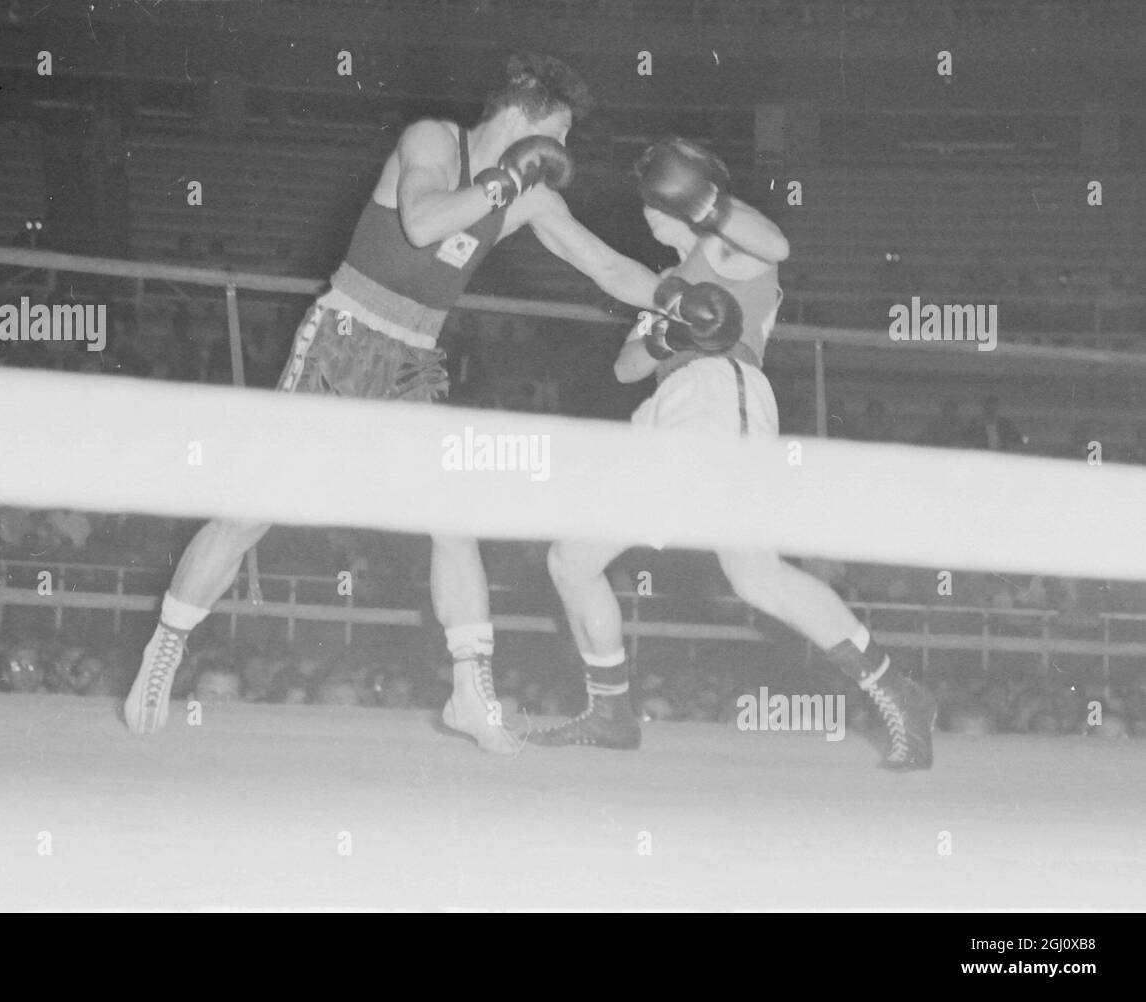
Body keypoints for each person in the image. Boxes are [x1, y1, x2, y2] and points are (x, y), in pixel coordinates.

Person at [124, 54, 662, 753]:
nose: (562, 151)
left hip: (414, 361)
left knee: (452, 519)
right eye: (558, 131)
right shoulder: (435, 141)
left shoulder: (528, 195)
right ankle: (164, 649)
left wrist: (682, 301)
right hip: (344, 338)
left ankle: (471, 691)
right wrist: (503, 181)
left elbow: (609, 268)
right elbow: (420, 221)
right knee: (249, 513)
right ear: (524, 113)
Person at [526, 137, 936, 770]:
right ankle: (610, 711)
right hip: (666, 409)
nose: (647, 211)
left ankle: (897, 692)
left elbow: (777, 244)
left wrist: (706, 203)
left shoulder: (727, 248)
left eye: (658, 200)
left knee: (754, 575)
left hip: (722, 396)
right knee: (575, 560)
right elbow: (626, 365)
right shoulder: (669, 282)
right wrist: (666, 333)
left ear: (686, 197)